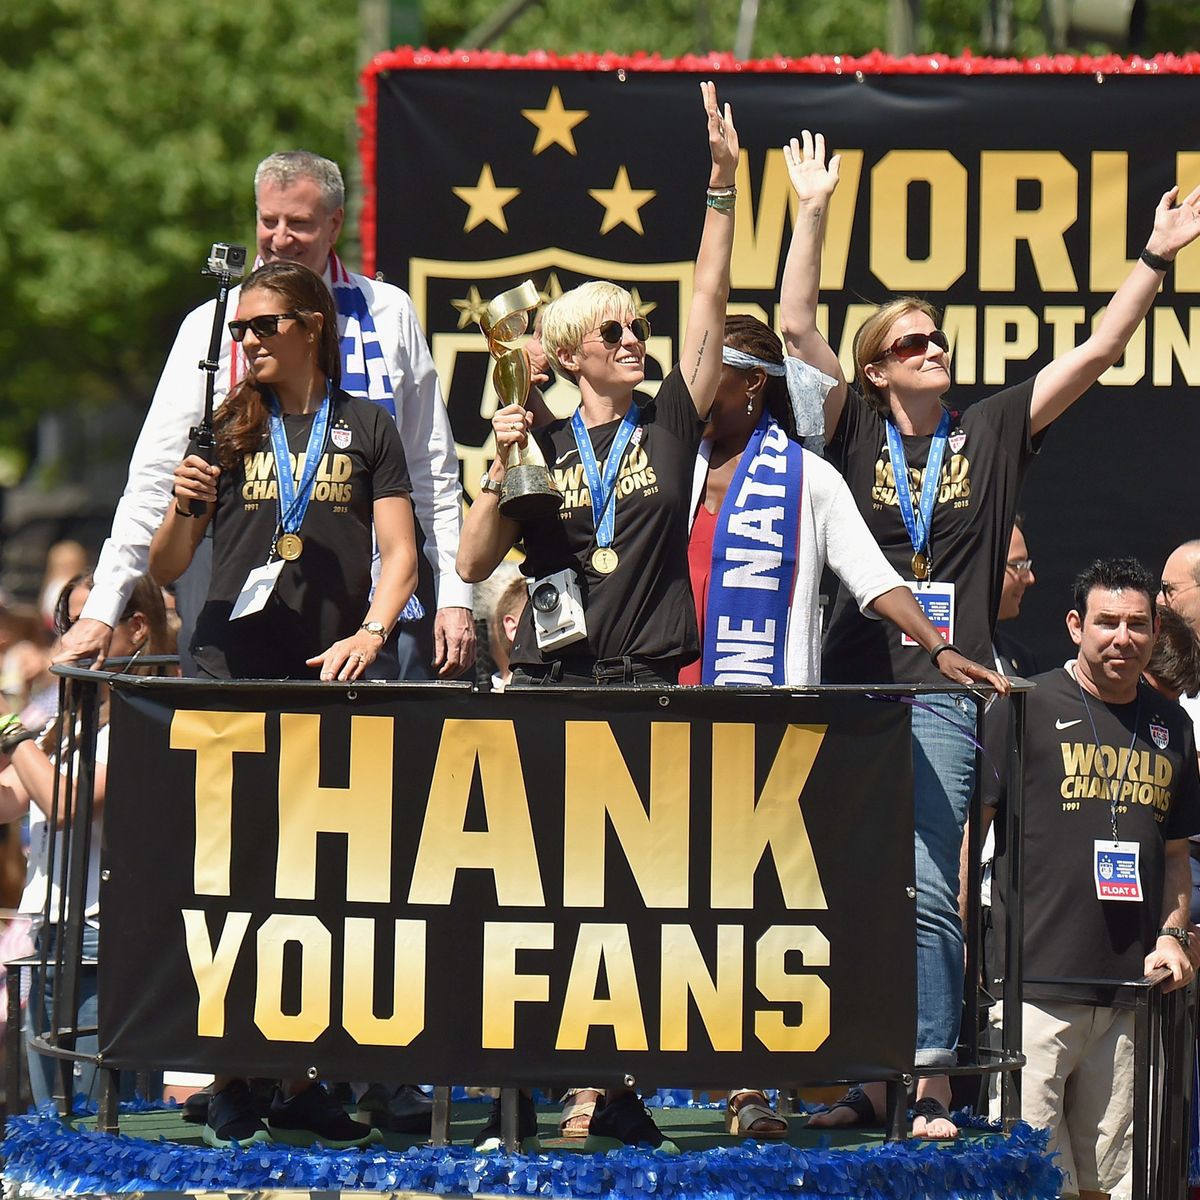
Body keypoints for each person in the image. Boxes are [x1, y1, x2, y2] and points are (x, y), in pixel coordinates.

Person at [782, 130, 1200, 1139]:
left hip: (942, 692)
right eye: (913, 344)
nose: (935, 350)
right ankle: (864, 1078)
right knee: (840, 886)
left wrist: (1154, 257)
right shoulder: (853, 427)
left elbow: (1096, 352)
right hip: (850, 683)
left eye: (939, 339)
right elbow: (794, 325)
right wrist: (811, 209)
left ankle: (929, 1082)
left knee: (932, 884)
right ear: (878, 370)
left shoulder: (991, 431)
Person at [457, 80, 738, 1152]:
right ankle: (545, 1076)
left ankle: (616, 1081)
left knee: (637, 893)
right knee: (546, 888)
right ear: (569, 355)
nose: (632, 337)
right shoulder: (538, 440)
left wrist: (720, 188)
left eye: (634, 325)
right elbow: (474, 560)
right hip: (551, 681)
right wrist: (500, 461)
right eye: (610, 329)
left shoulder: (670, 421)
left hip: (643, 687)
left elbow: (707, 304)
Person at [151, 261, 414, 1147]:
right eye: (239, 329)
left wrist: (372, 632)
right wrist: (182, 507)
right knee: (233, 887)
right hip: (229, 679)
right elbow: (168, 566)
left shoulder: (368, 425)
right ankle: (232, 1076)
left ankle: (299, 1077)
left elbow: (400, 552)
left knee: (314, 889)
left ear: (311, 325)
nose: (248, 341)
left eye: (262, 325)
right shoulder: (227, 426)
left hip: (322, 688)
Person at [59, 150, 472, 680]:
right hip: (227, 565)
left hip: (361, 582)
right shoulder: (211, 324)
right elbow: (152, 481)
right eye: (268, 220)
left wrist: (455, 593)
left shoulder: (386, 313)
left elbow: (431, 469)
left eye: (298, 222)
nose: (280, 238)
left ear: (334, 224)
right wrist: (101, 609)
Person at [983, 558, 1200, 1200]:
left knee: (1114, 1183)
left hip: (1131, 994)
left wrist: (1172, 934)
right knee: (1028, 1180)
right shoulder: (1024, 703)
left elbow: (1176, 855)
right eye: (1107, 623)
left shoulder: (1173, 727)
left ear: (1155, 630)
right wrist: (965, 942)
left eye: (1138, 624)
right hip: (1033, 988)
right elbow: (971, 835)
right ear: (1076, 626)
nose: (1123, 638)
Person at [0, 573, 170, 1110]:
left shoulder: (151, 713)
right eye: (65, 624)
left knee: (106, 1115)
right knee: (52, 1116)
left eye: (86, 621)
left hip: (106, 936)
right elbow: (9, 800)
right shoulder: (69, 721)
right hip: (51, 934)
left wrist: (12, 732)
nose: (70, 637)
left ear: (137, 628)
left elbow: (65, 805)